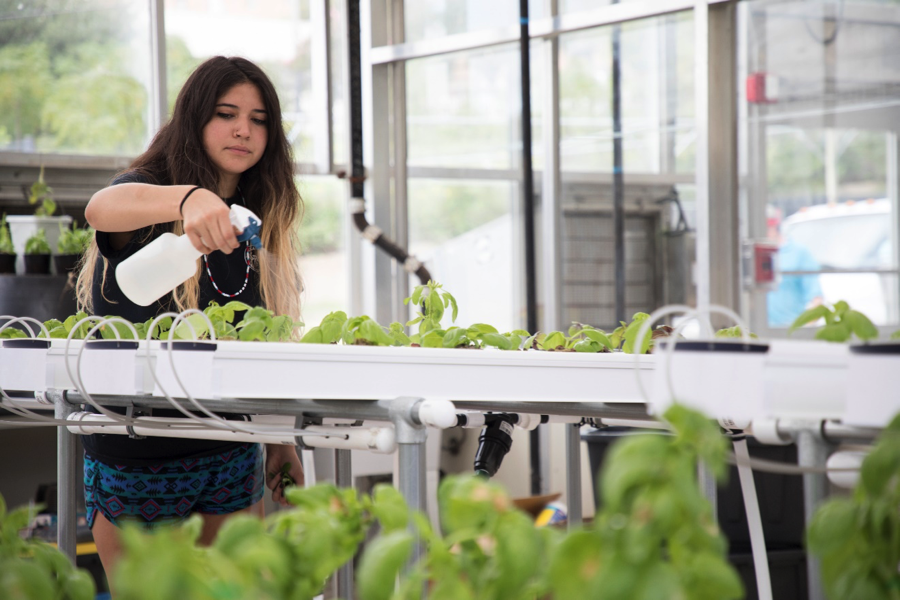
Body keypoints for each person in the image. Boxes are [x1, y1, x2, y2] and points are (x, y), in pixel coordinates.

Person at [74, 56, 305, 577]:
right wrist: (188, 199)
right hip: (137, 454)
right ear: (195, 120)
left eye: (259, 118)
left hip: (229, 450)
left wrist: (278, 442)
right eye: (226, 113)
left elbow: (257, 349)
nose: (244, 129)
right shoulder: (153, 193)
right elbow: (100, 209)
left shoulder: (252, 217)